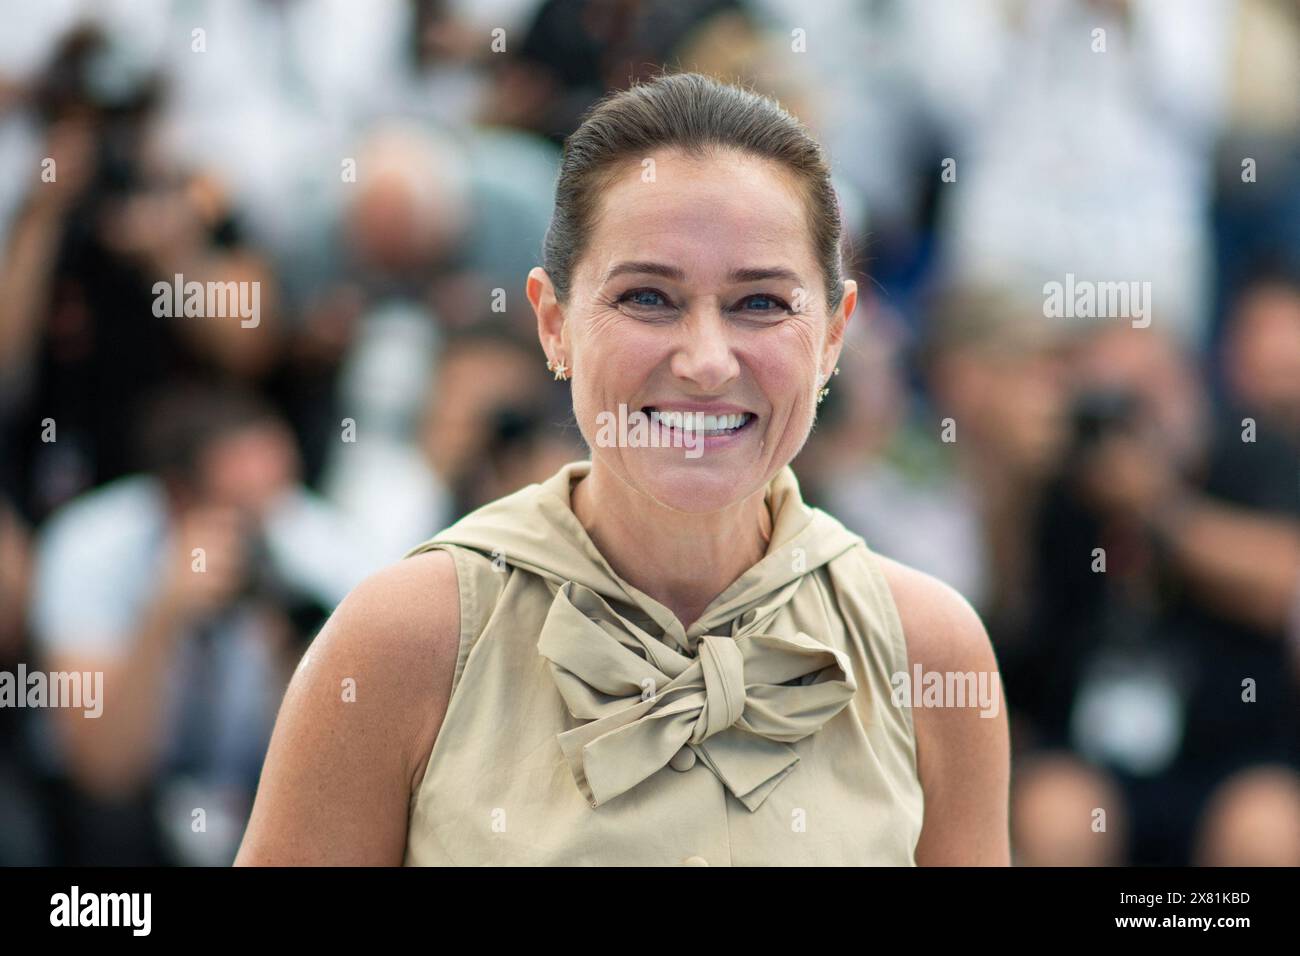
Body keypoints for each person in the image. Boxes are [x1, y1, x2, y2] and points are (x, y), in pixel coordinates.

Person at [236, 72, 1009, 866]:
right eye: (648, 298)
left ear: (836, 335)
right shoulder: (405, 640)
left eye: (761, 304)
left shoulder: (930, 651)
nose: (707, 361)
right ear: (554, 323)